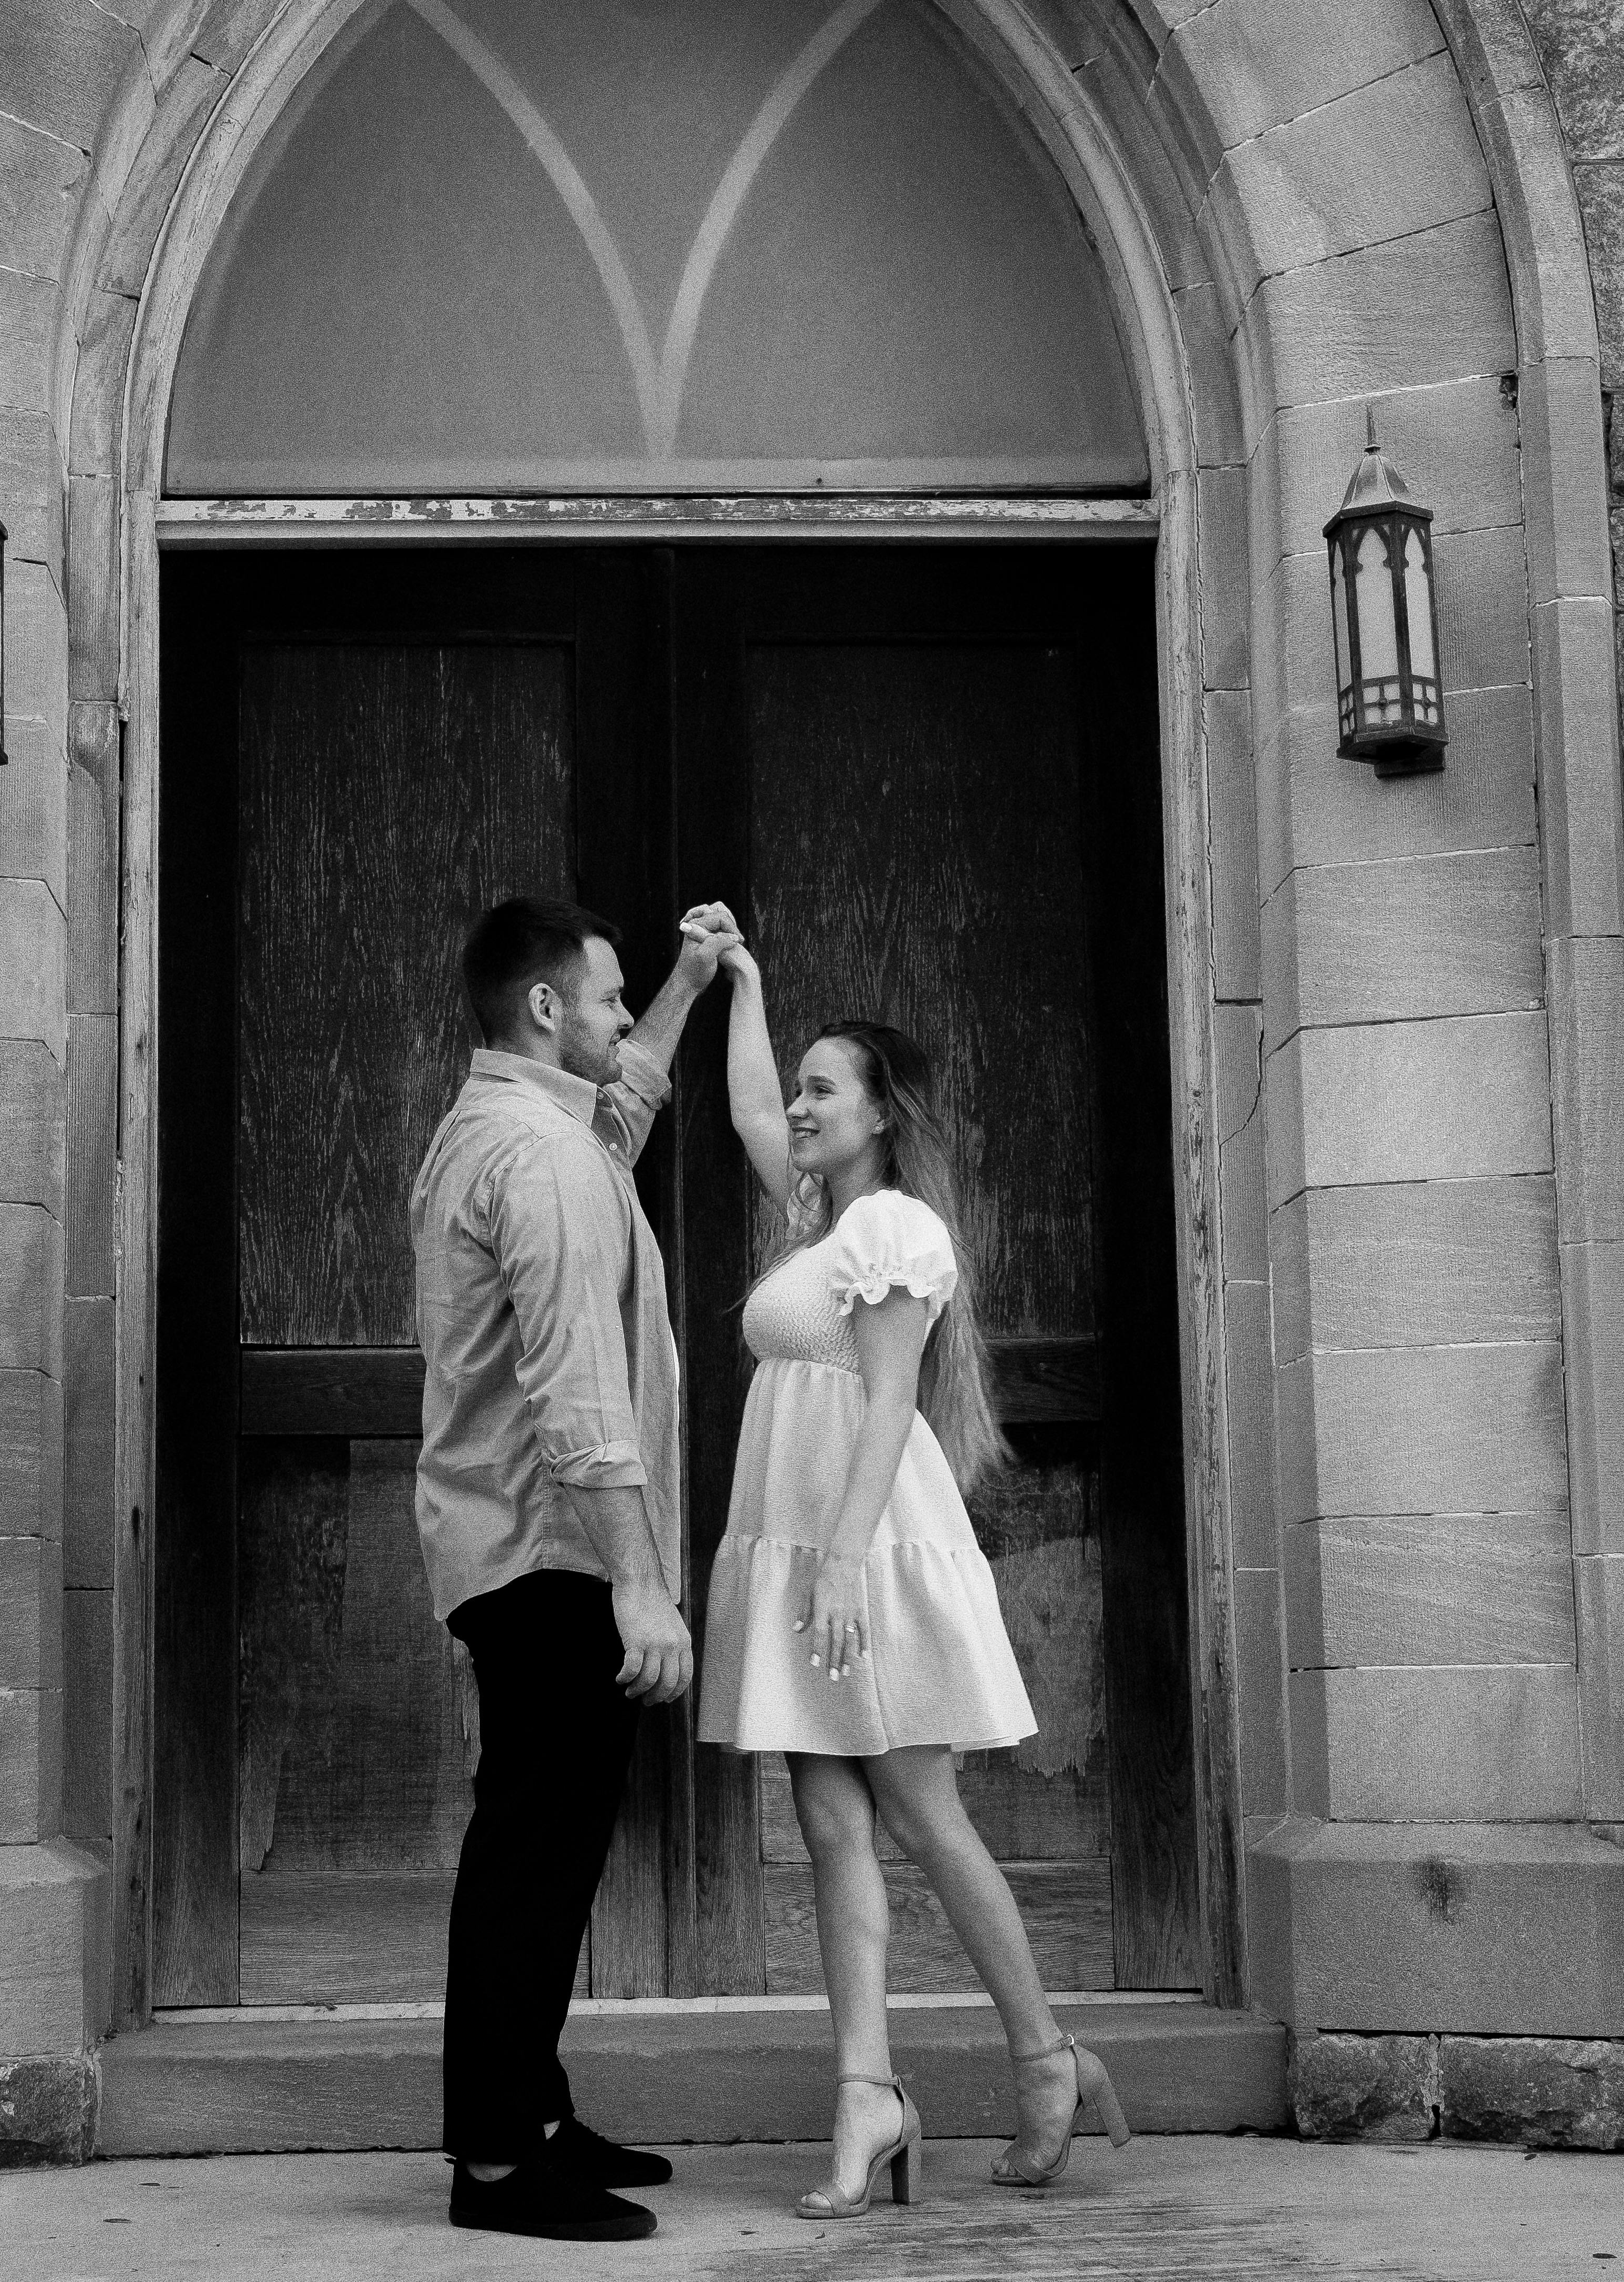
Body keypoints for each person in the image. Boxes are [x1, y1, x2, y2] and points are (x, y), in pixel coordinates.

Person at [692, 921, 1132, 2218]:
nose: (804, 1108)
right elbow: (746, 1109)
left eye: (829, 1089)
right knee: (828, 1822)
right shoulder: (813, 1220)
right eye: (806, 1088)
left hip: (860, 1545)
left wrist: (837, 1562)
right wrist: (747, 984)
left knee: (922, 1815)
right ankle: (865, 2097)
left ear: (881, 1116)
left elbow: (889, 1405)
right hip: (802, 1544)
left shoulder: (890, 1224)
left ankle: (1047, 2059)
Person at [411, 891, 742, 2244]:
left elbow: (621, 1116)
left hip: (528, 1547)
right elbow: (573, 1386)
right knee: (532, 1861)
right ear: (546, 1009)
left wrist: (684, 982)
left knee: (546, 1846)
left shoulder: (520, 1126)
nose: (618, 1019)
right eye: (605, 997)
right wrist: (641, 1582)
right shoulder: (534, 1159)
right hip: (555, 1553)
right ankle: (494, 2165)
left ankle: (532, 2115)